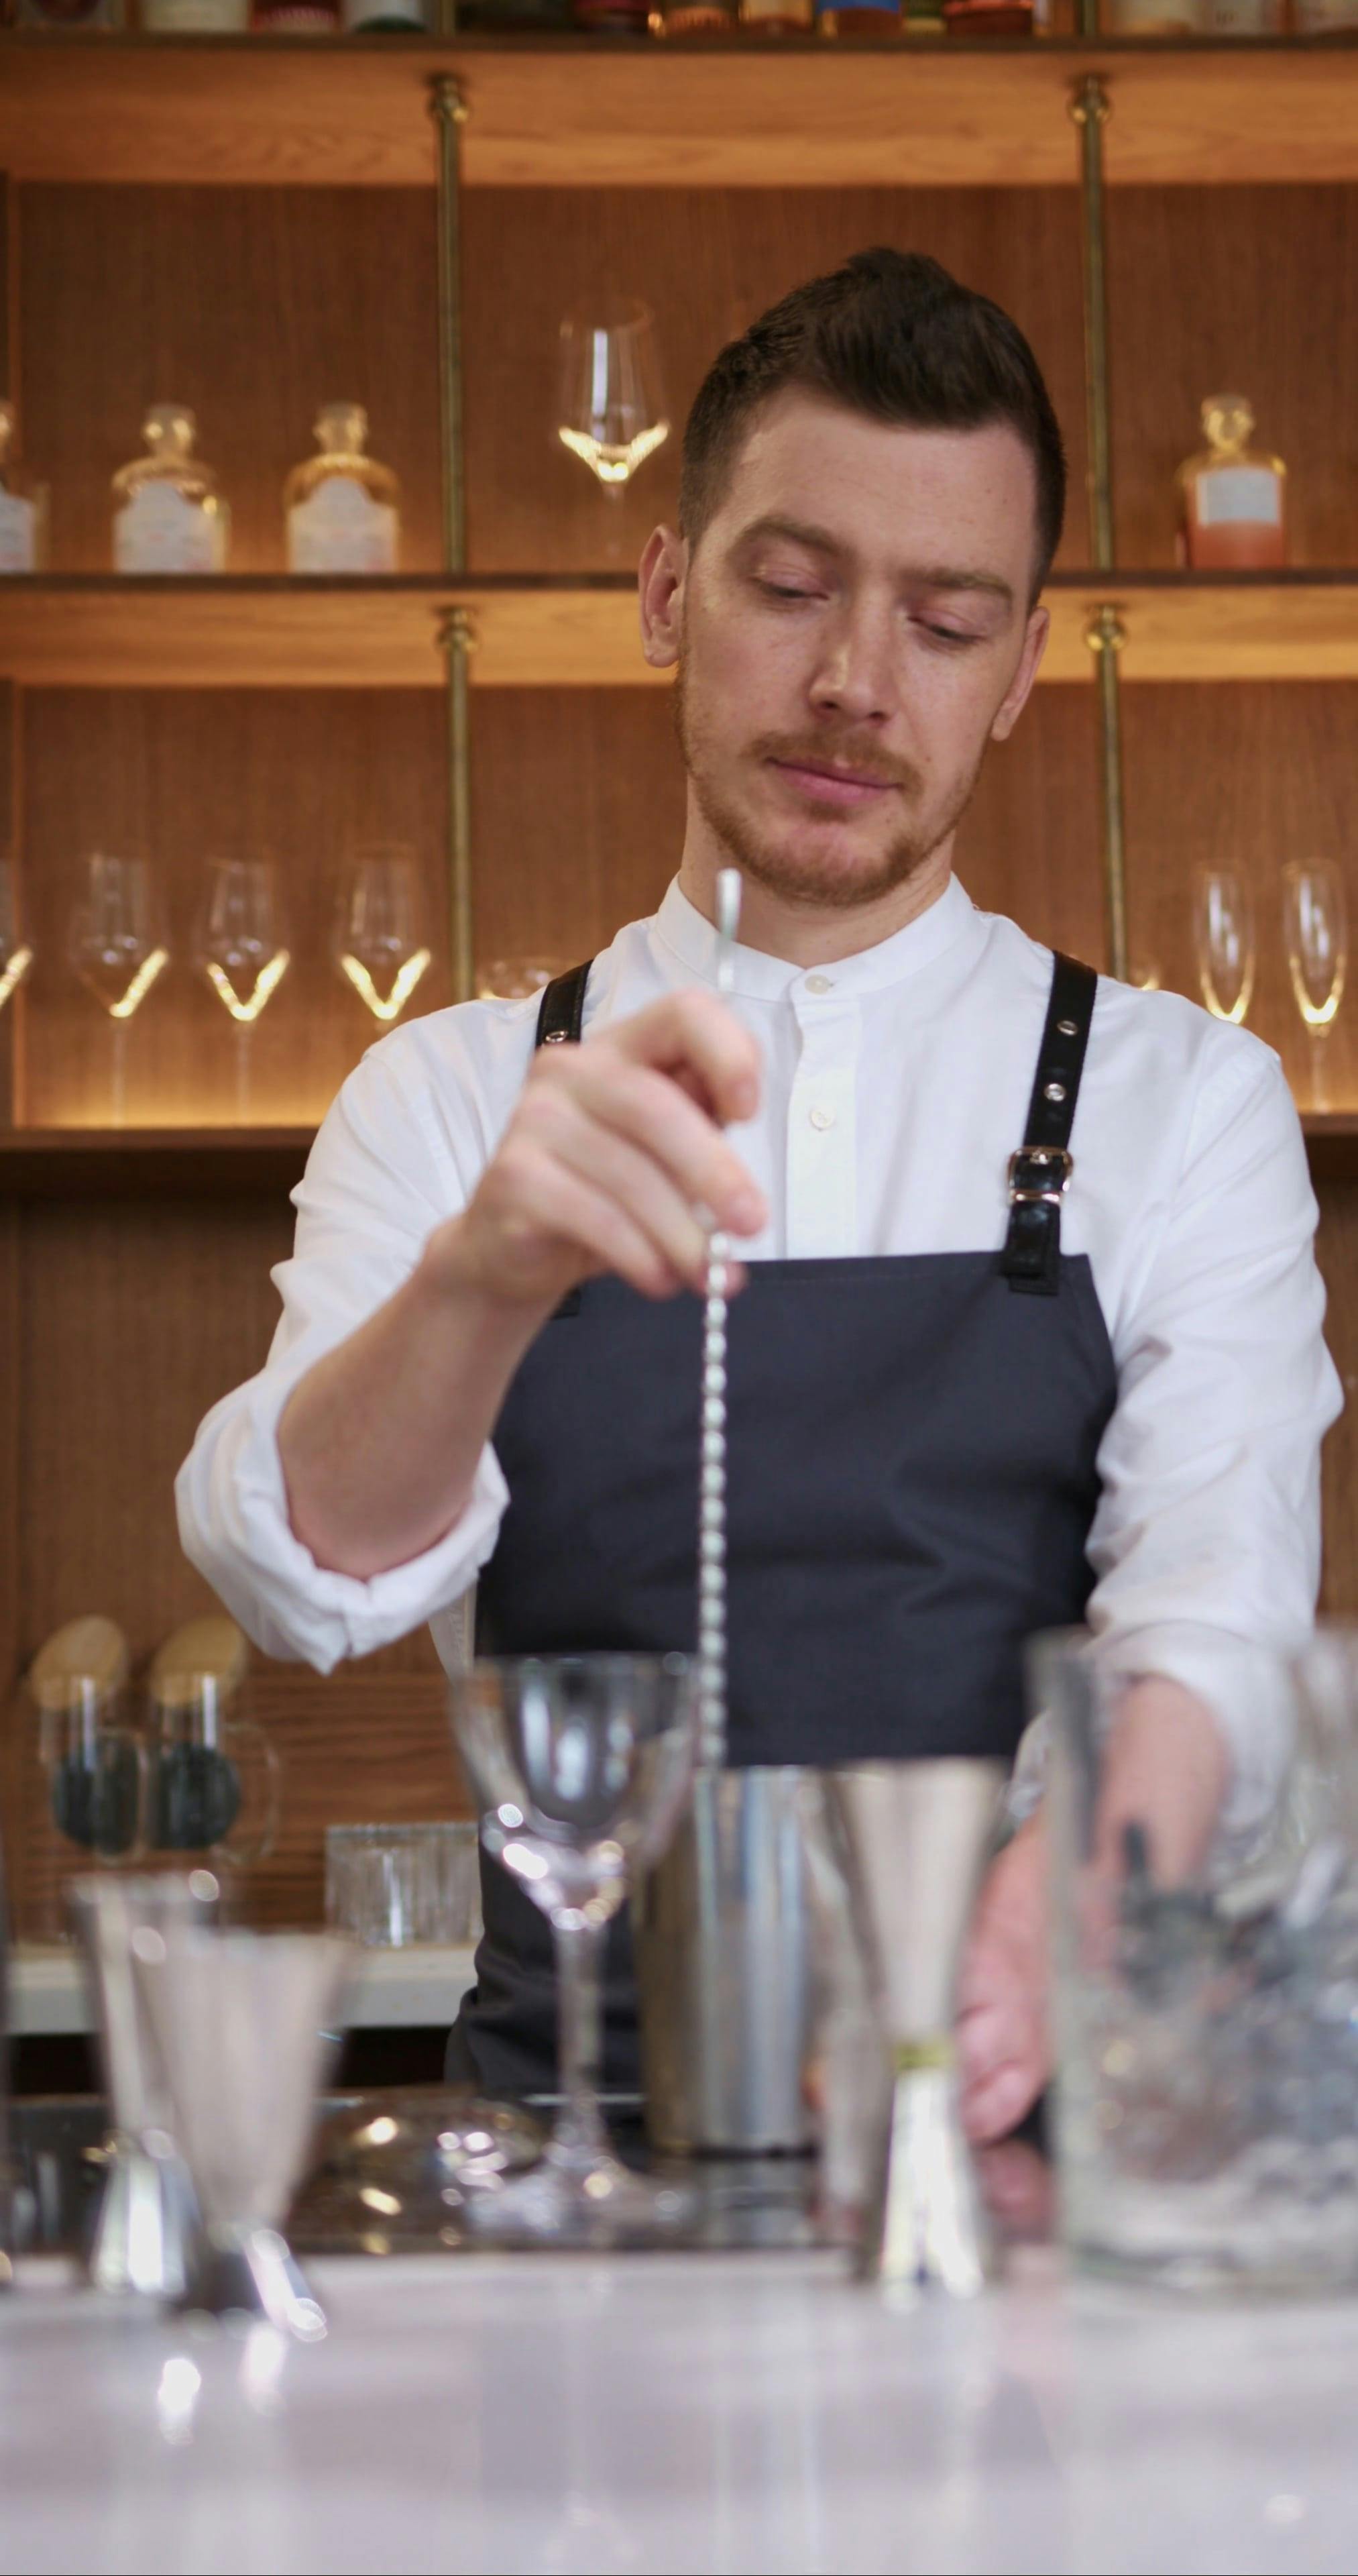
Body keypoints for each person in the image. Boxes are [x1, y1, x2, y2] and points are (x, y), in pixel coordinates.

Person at [178, 248, 1341, 2141]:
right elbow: (291, 1573)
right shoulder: (456, 1092)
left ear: (1026, 668)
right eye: (790, 588)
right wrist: (487, 1275)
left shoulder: (1177, 1100)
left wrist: (1029, 1938)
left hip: (1012, 2142)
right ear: (665, 590)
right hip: (568, 2163)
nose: (851, 682)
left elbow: (1208, 1620)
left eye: (948, 624)